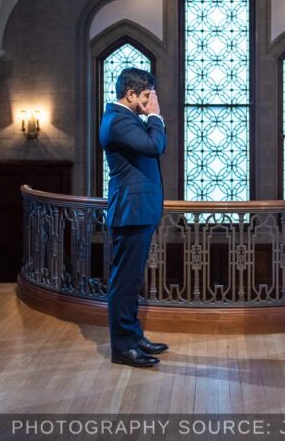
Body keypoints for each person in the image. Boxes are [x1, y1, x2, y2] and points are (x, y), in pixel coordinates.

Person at [99, 67, 169, 368]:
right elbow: (155, 147)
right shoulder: (117, 121)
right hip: (131, 211)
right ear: (130, 95)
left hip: (139, 210)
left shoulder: (126, 118)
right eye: (144, 97)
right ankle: (123, 347)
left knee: (131, 280)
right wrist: (155, 116)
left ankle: (133, 335)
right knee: (124, 282)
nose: (148, 103)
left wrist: (149, 115)